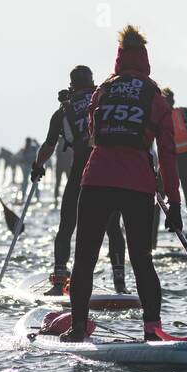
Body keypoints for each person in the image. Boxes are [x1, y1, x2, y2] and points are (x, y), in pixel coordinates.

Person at [60, 25, 187, 344]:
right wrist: (175, 204)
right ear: (145, 59)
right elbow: (168, 154)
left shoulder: (103, 89)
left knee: (85, 258)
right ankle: (152, 329)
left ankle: (77, 327)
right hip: (137, 185)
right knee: (142, 258)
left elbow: (92, 132)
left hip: (96, 179)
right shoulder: (155, 96)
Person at [31, 66, 129, 295]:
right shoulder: (104, 97)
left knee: (67, 226)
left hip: (81, 174)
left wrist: (37, 167)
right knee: (113, 227)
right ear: (92, 81)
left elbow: (48, 147)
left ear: (71, 84)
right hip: (107, 171)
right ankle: (120, 283)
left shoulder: (63, 110)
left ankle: (58, 282)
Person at [160, 88, 187, 250]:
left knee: (158, 201)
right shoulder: (184, 112)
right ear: (173, 101)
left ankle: (150, 242)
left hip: (169, 161)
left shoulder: (159, 116)